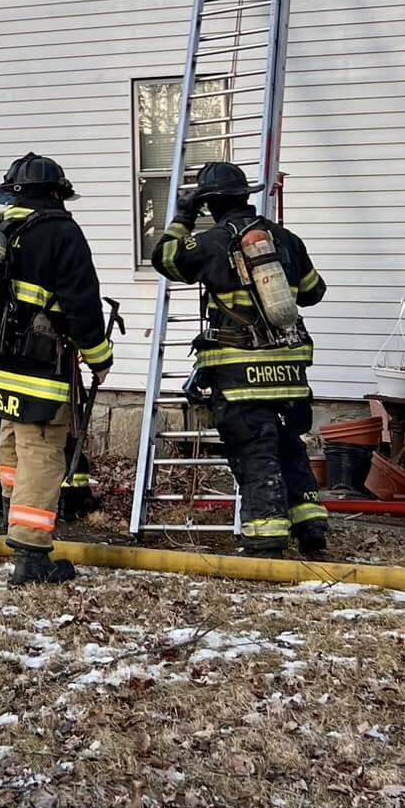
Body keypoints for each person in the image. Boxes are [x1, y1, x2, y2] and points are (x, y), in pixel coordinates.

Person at [0, 153, 113, 587]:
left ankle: (12, 513)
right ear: (58, 194)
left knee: (10, 439)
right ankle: (31, 555)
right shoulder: (62, 233)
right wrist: (100, 358)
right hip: (39, 371)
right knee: (41, 452)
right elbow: (83, 306)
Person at [153, 160, 329, 559]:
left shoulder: (211, 243)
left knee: (255, 453)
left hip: (239, 376)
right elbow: (314, 292)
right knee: (290, 446)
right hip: (289, 373)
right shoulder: (286, 239)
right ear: (245, 197)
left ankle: (266, 539)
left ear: (210, 204)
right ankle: (312, 529)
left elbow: (165, 258)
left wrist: (183, 216)